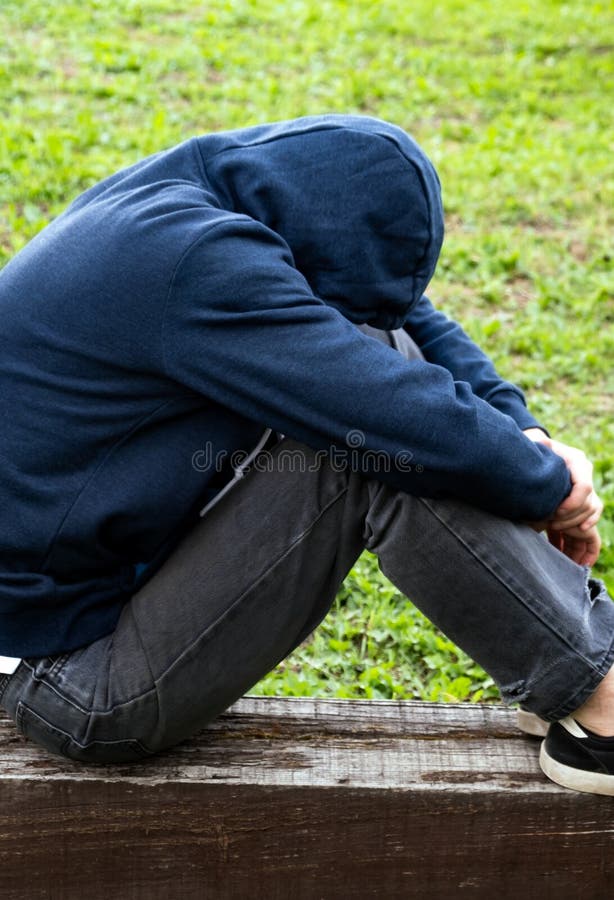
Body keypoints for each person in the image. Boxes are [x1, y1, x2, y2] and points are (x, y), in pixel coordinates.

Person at [0, 114, 611, 794]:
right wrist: (547, 484)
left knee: (393, 396)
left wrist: (529, 438)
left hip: (92, 607)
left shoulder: (197, 195)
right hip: (68, 679)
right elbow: (389, 414)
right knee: (363, 446)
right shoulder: (195, 264)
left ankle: (579, 671)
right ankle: (601, 698)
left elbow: (408, 325)